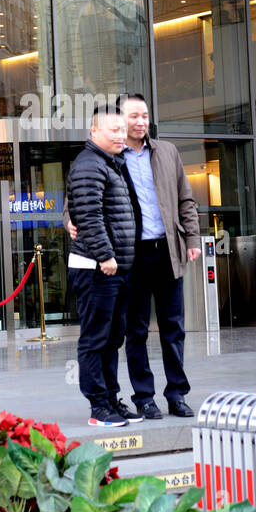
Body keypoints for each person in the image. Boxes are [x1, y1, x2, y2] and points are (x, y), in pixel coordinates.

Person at [65, 94, 202, 418]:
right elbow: (77, 203)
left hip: (167, 250)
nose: (139, 122)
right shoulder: (111, 156)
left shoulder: (166, 152)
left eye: (144, 116)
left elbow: (186, 199)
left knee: (173, 327)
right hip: (129, 256)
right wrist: (70, 222)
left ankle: (177, 393)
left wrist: (193, 237)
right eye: (132, 117)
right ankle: (144, 397)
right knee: (134, 330)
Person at [66, 110, 142, 428]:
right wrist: (105, 255)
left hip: (116, 268)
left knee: (113, 338)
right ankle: (98, 407)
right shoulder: (88, 163)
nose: (121, 135)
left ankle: (111, 399)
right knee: (96, 338)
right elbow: (88, 215)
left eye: (123, 130)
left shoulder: (112, 163)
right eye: (114, 130)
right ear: (94, 131)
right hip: (98, 267)